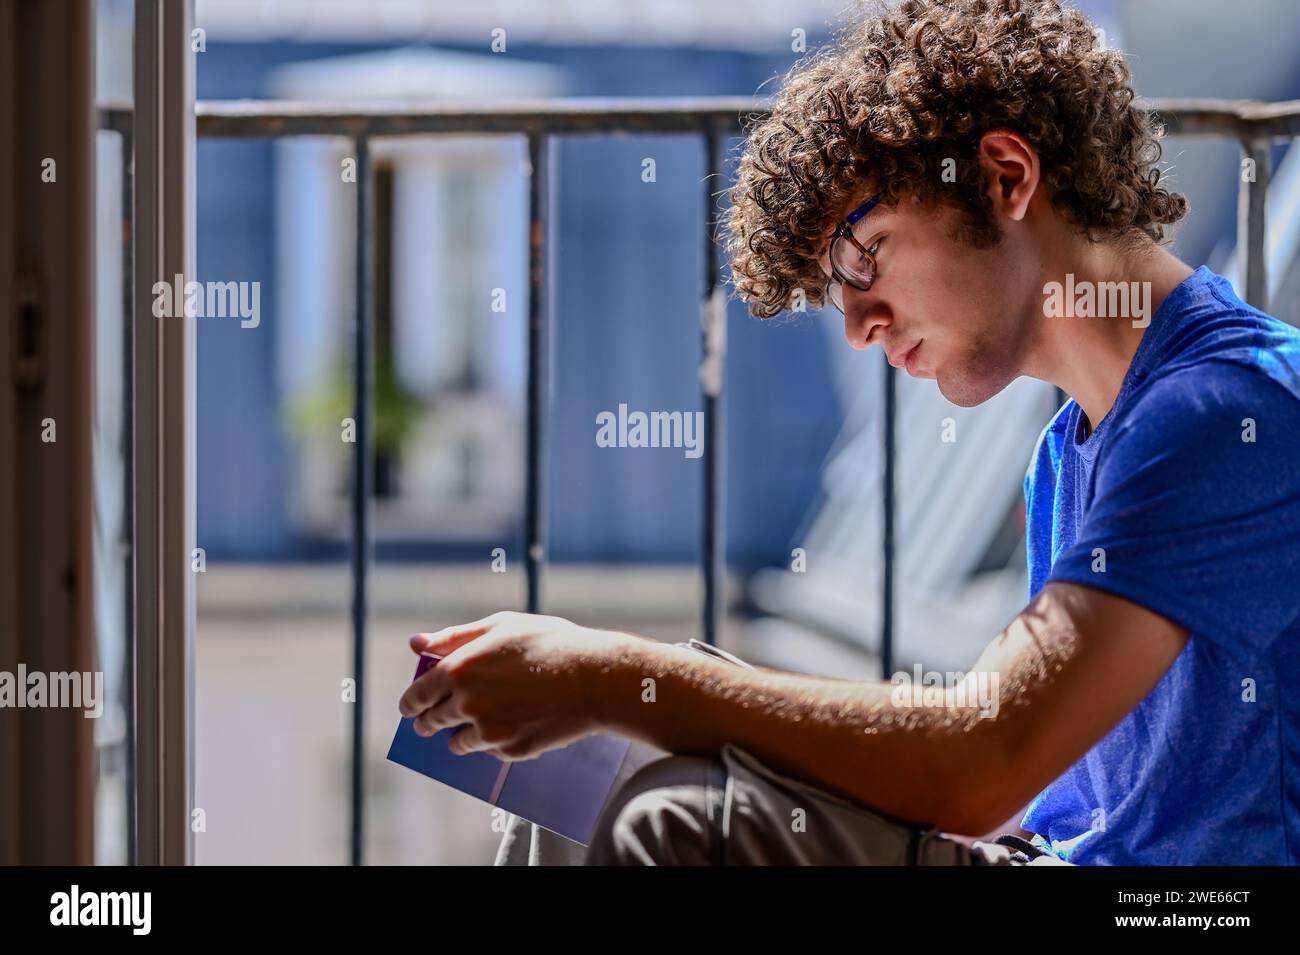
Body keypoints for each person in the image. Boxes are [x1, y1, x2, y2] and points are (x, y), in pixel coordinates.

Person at [398, 0, 1300, 865]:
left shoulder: (1222, 413)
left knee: (676, 820)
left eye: (862, 258)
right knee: (587, 770)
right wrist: (609, 692)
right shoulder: (1071, 447)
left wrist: (611, 675)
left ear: (1006, 176)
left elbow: (982, 761)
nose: (860, 326)